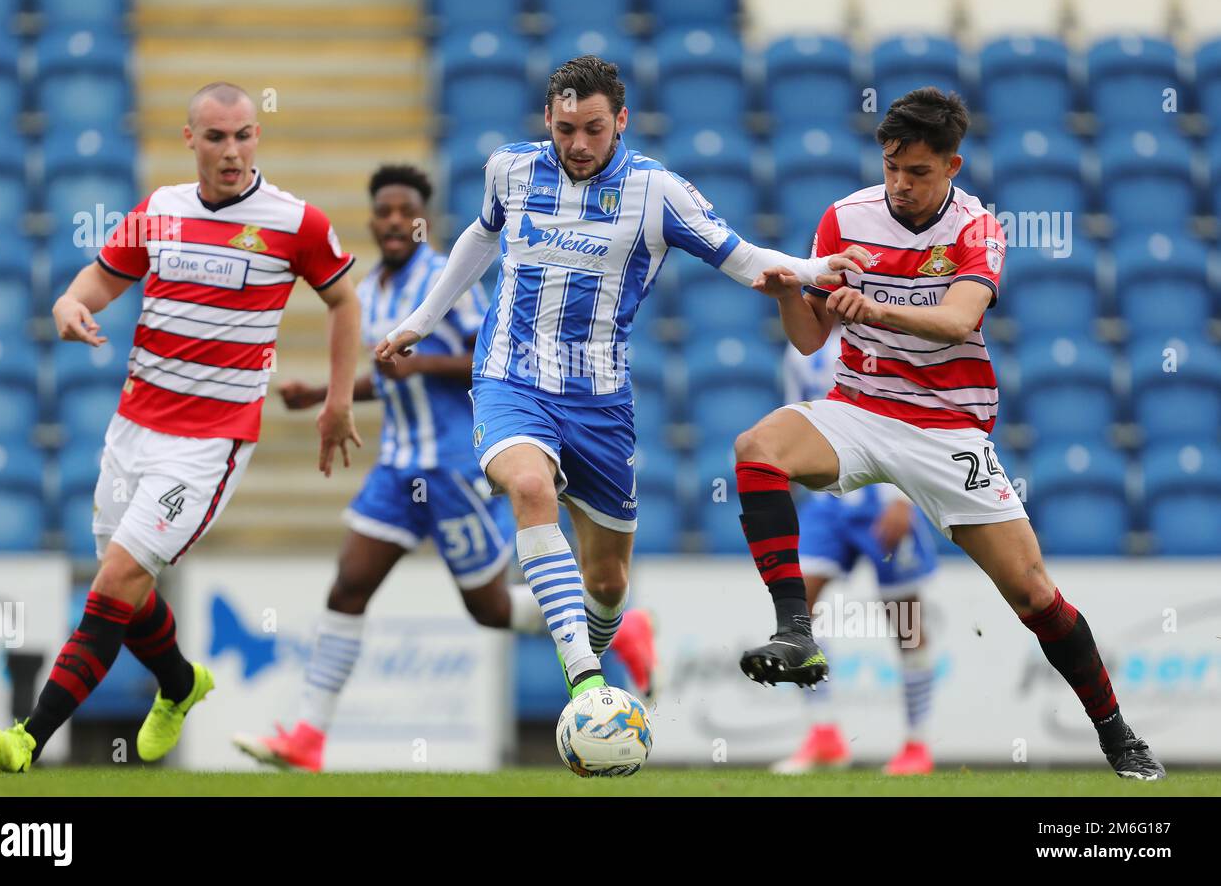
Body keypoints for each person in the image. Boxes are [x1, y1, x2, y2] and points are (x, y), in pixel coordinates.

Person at [377, 56, 865, 699]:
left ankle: (610, 639)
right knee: (529, 485)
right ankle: (586, 681)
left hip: (599, 401)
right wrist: (421, 318)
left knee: (606, 585)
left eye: (595, 129)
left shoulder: (656, 190)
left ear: (622, 121)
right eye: (565, 128)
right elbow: (481, 234)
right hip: (511, 376)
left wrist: (816, 268)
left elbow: (745, 260)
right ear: (548, 120)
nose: (578, 144)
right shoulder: (511, 169)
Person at [735, 87, 1164, 779]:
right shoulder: (844, 218)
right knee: (756, 448)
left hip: (946, 429)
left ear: (953, 166)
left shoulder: (976, 229)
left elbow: (959, 320)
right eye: (892, 168)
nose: (901, 185)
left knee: (1033, 594)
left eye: (919, 172)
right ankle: (794, 633)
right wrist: (792, 294)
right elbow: (812, 340)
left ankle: (1117, 734)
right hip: (859, 406)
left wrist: (872, 306)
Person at [0, 82, 361, 772]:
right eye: (216, 138)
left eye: (244, 135)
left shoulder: (295, 222)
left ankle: (28, 737)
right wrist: (68, 304)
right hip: (133, 428)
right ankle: (181, 686)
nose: (232, 151)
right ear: (191, 140)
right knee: (127, 584)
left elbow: (343, 300)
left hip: (209, 445)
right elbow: (97, 281)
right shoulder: (160, 211)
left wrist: (338, 401)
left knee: (117, 579)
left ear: (257, 138)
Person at [232, 165, 655, 771]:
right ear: (373, 220)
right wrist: (329, 394)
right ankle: (307, 737)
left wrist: (425, 367)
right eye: (385, 211)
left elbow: (488, 362)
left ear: (422, 220)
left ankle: (618, 622)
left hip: (452, 468)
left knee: (488, 609)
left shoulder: (446, 281)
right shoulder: (372, 288)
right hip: (397, 467)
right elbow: (392, 369)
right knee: (349, 584)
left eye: (407, 211)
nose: (396, 221)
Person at [769, 327, 939, 776]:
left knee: (905, 620)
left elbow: (910, 416)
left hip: (885, 491)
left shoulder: (886, 336)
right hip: (828, 499)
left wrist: (904, 499)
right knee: (798, 605)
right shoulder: (800, 350)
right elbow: (793, 416)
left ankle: (917, 744)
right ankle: (824, 734)